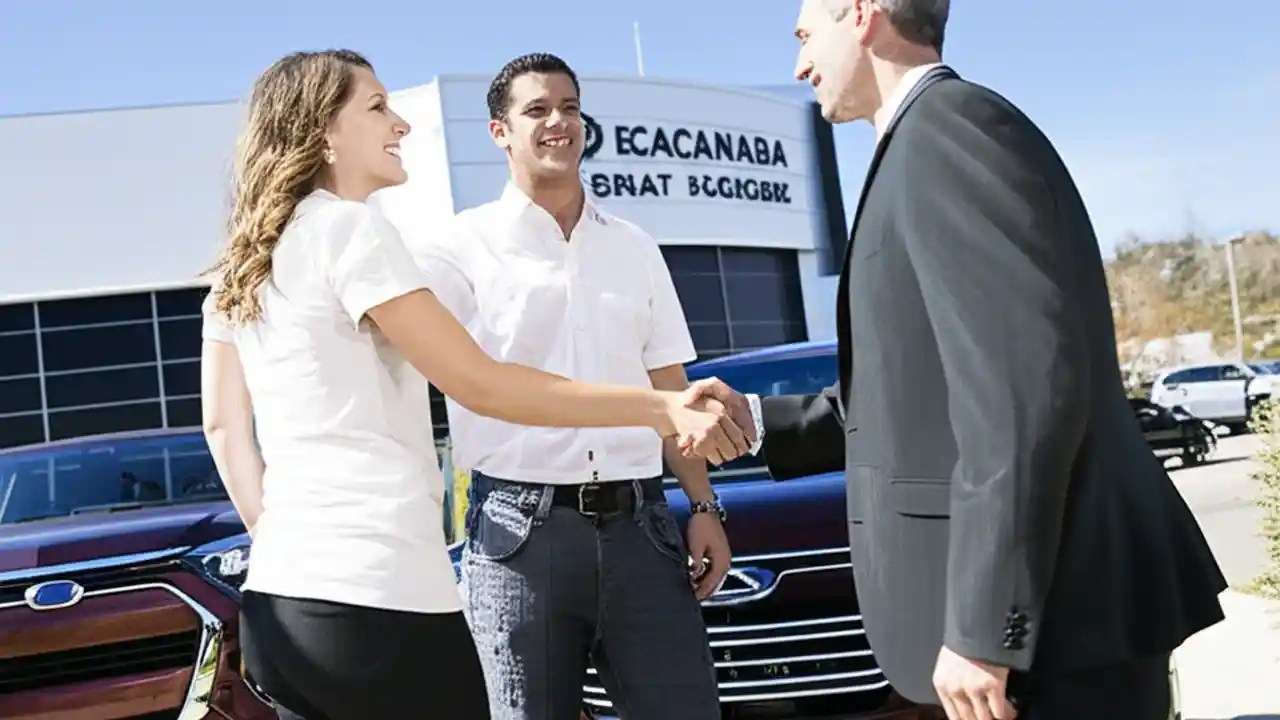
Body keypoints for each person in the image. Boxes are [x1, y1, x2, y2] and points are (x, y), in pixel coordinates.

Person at [685, 1, 1228, 718]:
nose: (799, 64)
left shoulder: (949, 132)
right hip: (1049, 634)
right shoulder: (919, 145)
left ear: (861, 13)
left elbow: (1020, 394)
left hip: (1064, 629)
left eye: (805, 35)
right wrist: (755, 418)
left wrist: (982, 629)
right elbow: (914, 390)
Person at [199, 49, 748, 720]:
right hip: (385, 592)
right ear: (324, 133)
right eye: (377, 108)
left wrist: (288, 540)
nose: (400, 125)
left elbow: (224, 428)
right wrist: (660, 406)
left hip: (284, 599)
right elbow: (481, 383)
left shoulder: (244, 261)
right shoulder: (355, 231)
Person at [392, 52, 728, 720]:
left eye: (569, 108)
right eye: (537, 110)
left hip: (643, 531)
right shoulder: (456, 251)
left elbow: (669, 386)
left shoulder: (633, 245)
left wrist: (704, 507)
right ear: (499, 133)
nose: (558, 123)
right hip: (518, 538)